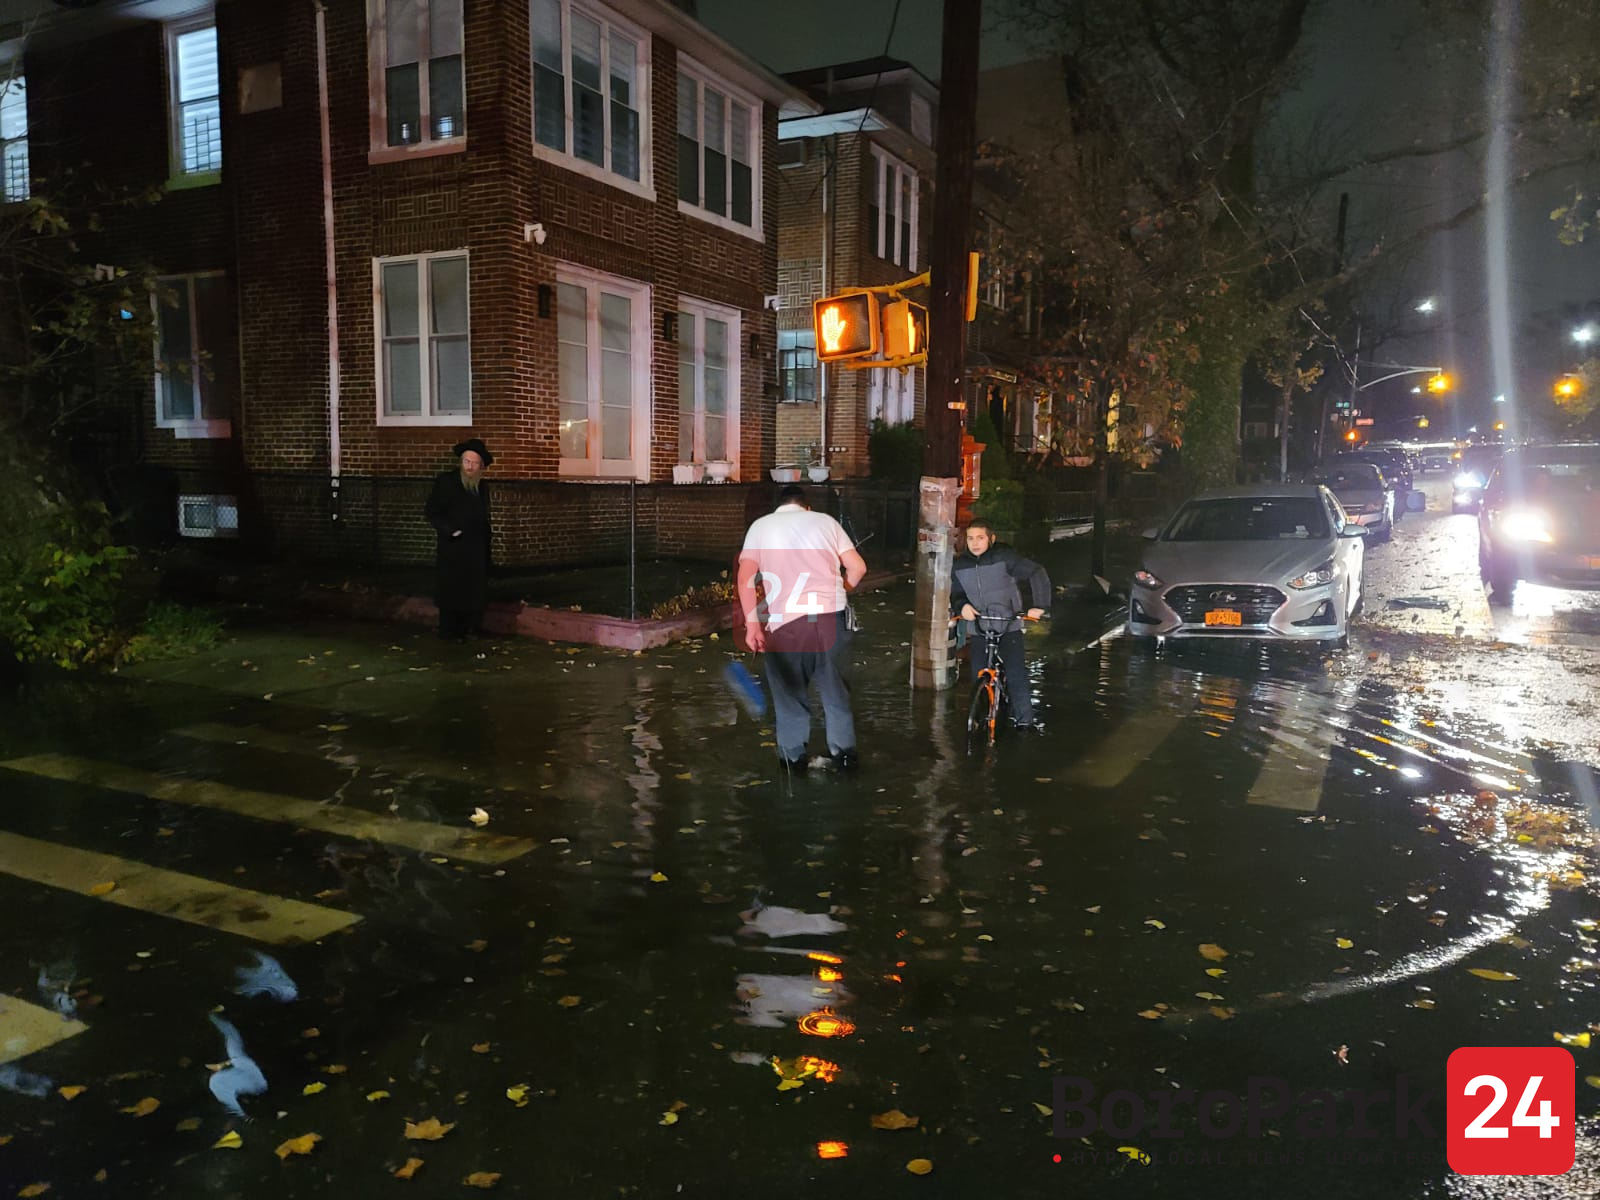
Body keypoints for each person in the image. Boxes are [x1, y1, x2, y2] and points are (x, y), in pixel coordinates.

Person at [737, 485, 867, 774]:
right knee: (836, 696)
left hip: (786, 626)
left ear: (779, 506)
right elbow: (858, 568)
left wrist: (753, 625)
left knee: (790, 700)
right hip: (831, 620)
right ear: (807, 507)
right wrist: (839, 591)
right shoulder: (826, 522)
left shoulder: (761, 527)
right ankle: (845, 762)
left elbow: (745, 578)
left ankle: (793, 765)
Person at [950, 519, 1050, 729]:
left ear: (991, 539)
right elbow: (957, 593)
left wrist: (1039, 606)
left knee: (1015, 674)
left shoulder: (1004, 558)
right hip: (979, 628)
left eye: (980, 538)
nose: (975, 543)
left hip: (1008, 625)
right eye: (970, 538)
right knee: (979, 674)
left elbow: (1036, 572)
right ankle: (981, 718)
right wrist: (962, 606)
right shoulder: (959, 565)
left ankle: (1024, 722)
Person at [424, 438, 494, 641]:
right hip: (454, 546)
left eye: (475, 463)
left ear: (481, 466)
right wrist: (450, 530)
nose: (470, 467)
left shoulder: (481, 486)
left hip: (476, 546)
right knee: (452, 588)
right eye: (467, 462)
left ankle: (471, 627)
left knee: (474, 588)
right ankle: (449, 630)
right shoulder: (447, 482)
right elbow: (432, 511)